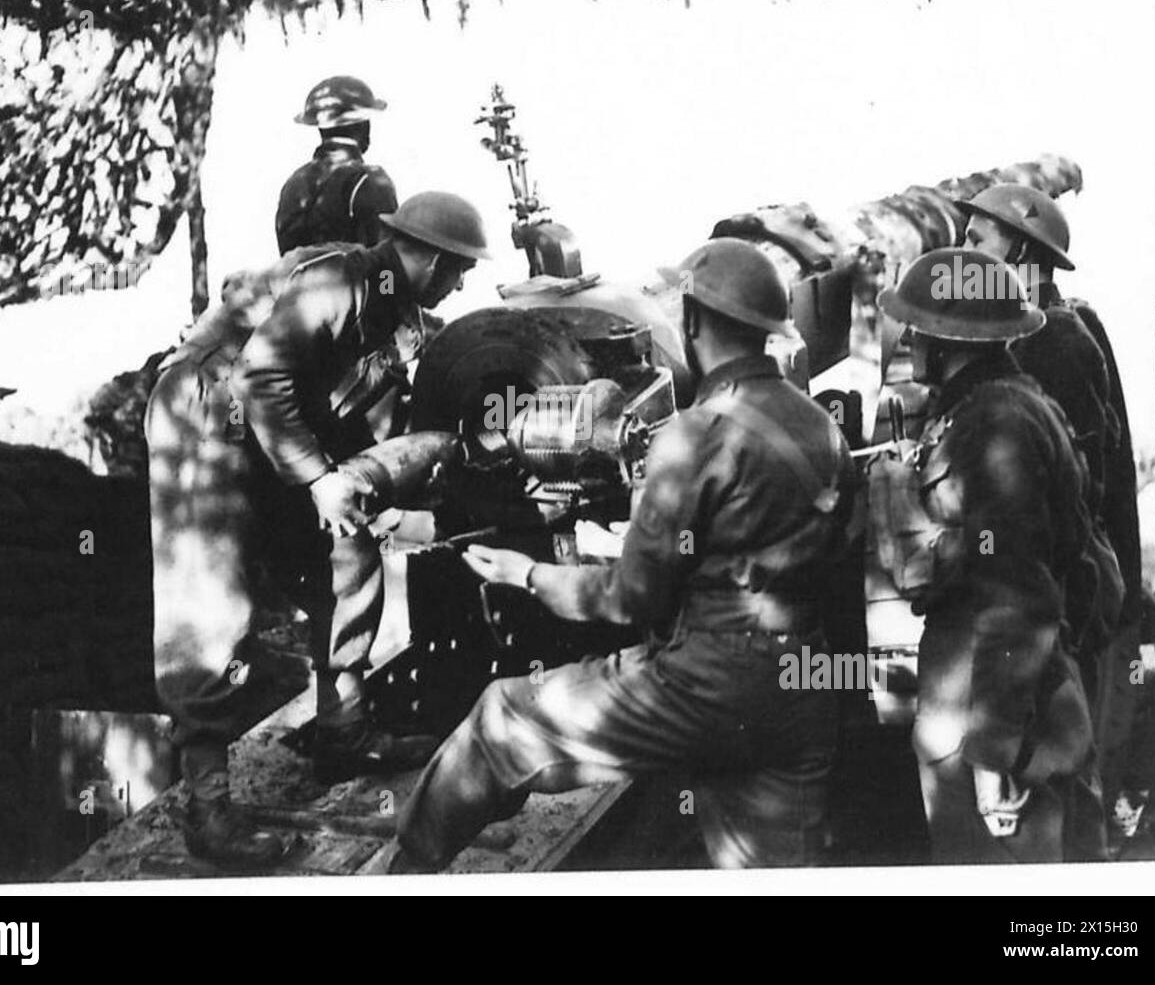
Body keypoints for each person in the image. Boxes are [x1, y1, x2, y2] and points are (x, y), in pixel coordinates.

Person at [391, 237, 856, 872]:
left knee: (503, 721)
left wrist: (530, 575)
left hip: (706, 684)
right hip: (803, 684)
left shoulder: (697, 434)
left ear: (693, 320)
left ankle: (404, 876)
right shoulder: (820, 426)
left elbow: (631, 598)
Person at [146, 191, 490, 866]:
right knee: (211, 601)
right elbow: (261, 375)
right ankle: (207, 806)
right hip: (207, 411)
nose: (459, 284)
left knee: (347, 544)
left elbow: (360, 412)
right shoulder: (339, 281)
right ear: (427, 258)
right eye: (458, 269)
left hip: (269, 426)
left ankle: (344, 730)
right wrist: (318, 478)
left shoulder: (397, 312)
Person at [872, 247, 1115, 863]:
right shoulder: (1009, 405)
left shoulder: (992, 426)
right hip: (1017, 698)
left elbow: (1016, 598)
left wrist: (992, 755)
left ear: (946, 338)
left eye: (917, 326)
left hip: (993, 719)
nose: (909, 340)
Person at [958, 184, 1138, 800]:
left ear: (1022, 254)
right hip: (1043, 593)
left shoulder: (1055, 340)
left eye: (978, 240)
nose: (964, 254)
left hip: (1059, 594)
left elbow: (1078, 491)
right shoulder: (1030, 337)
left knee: (1061, 768)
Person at [276, 75, 398, 255]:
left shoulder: (293, 183)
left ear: (321, 128)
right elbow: (386, 259)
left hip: (295, 274)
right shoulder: (369, 180)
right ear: (363, 125)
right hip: (352, 274)